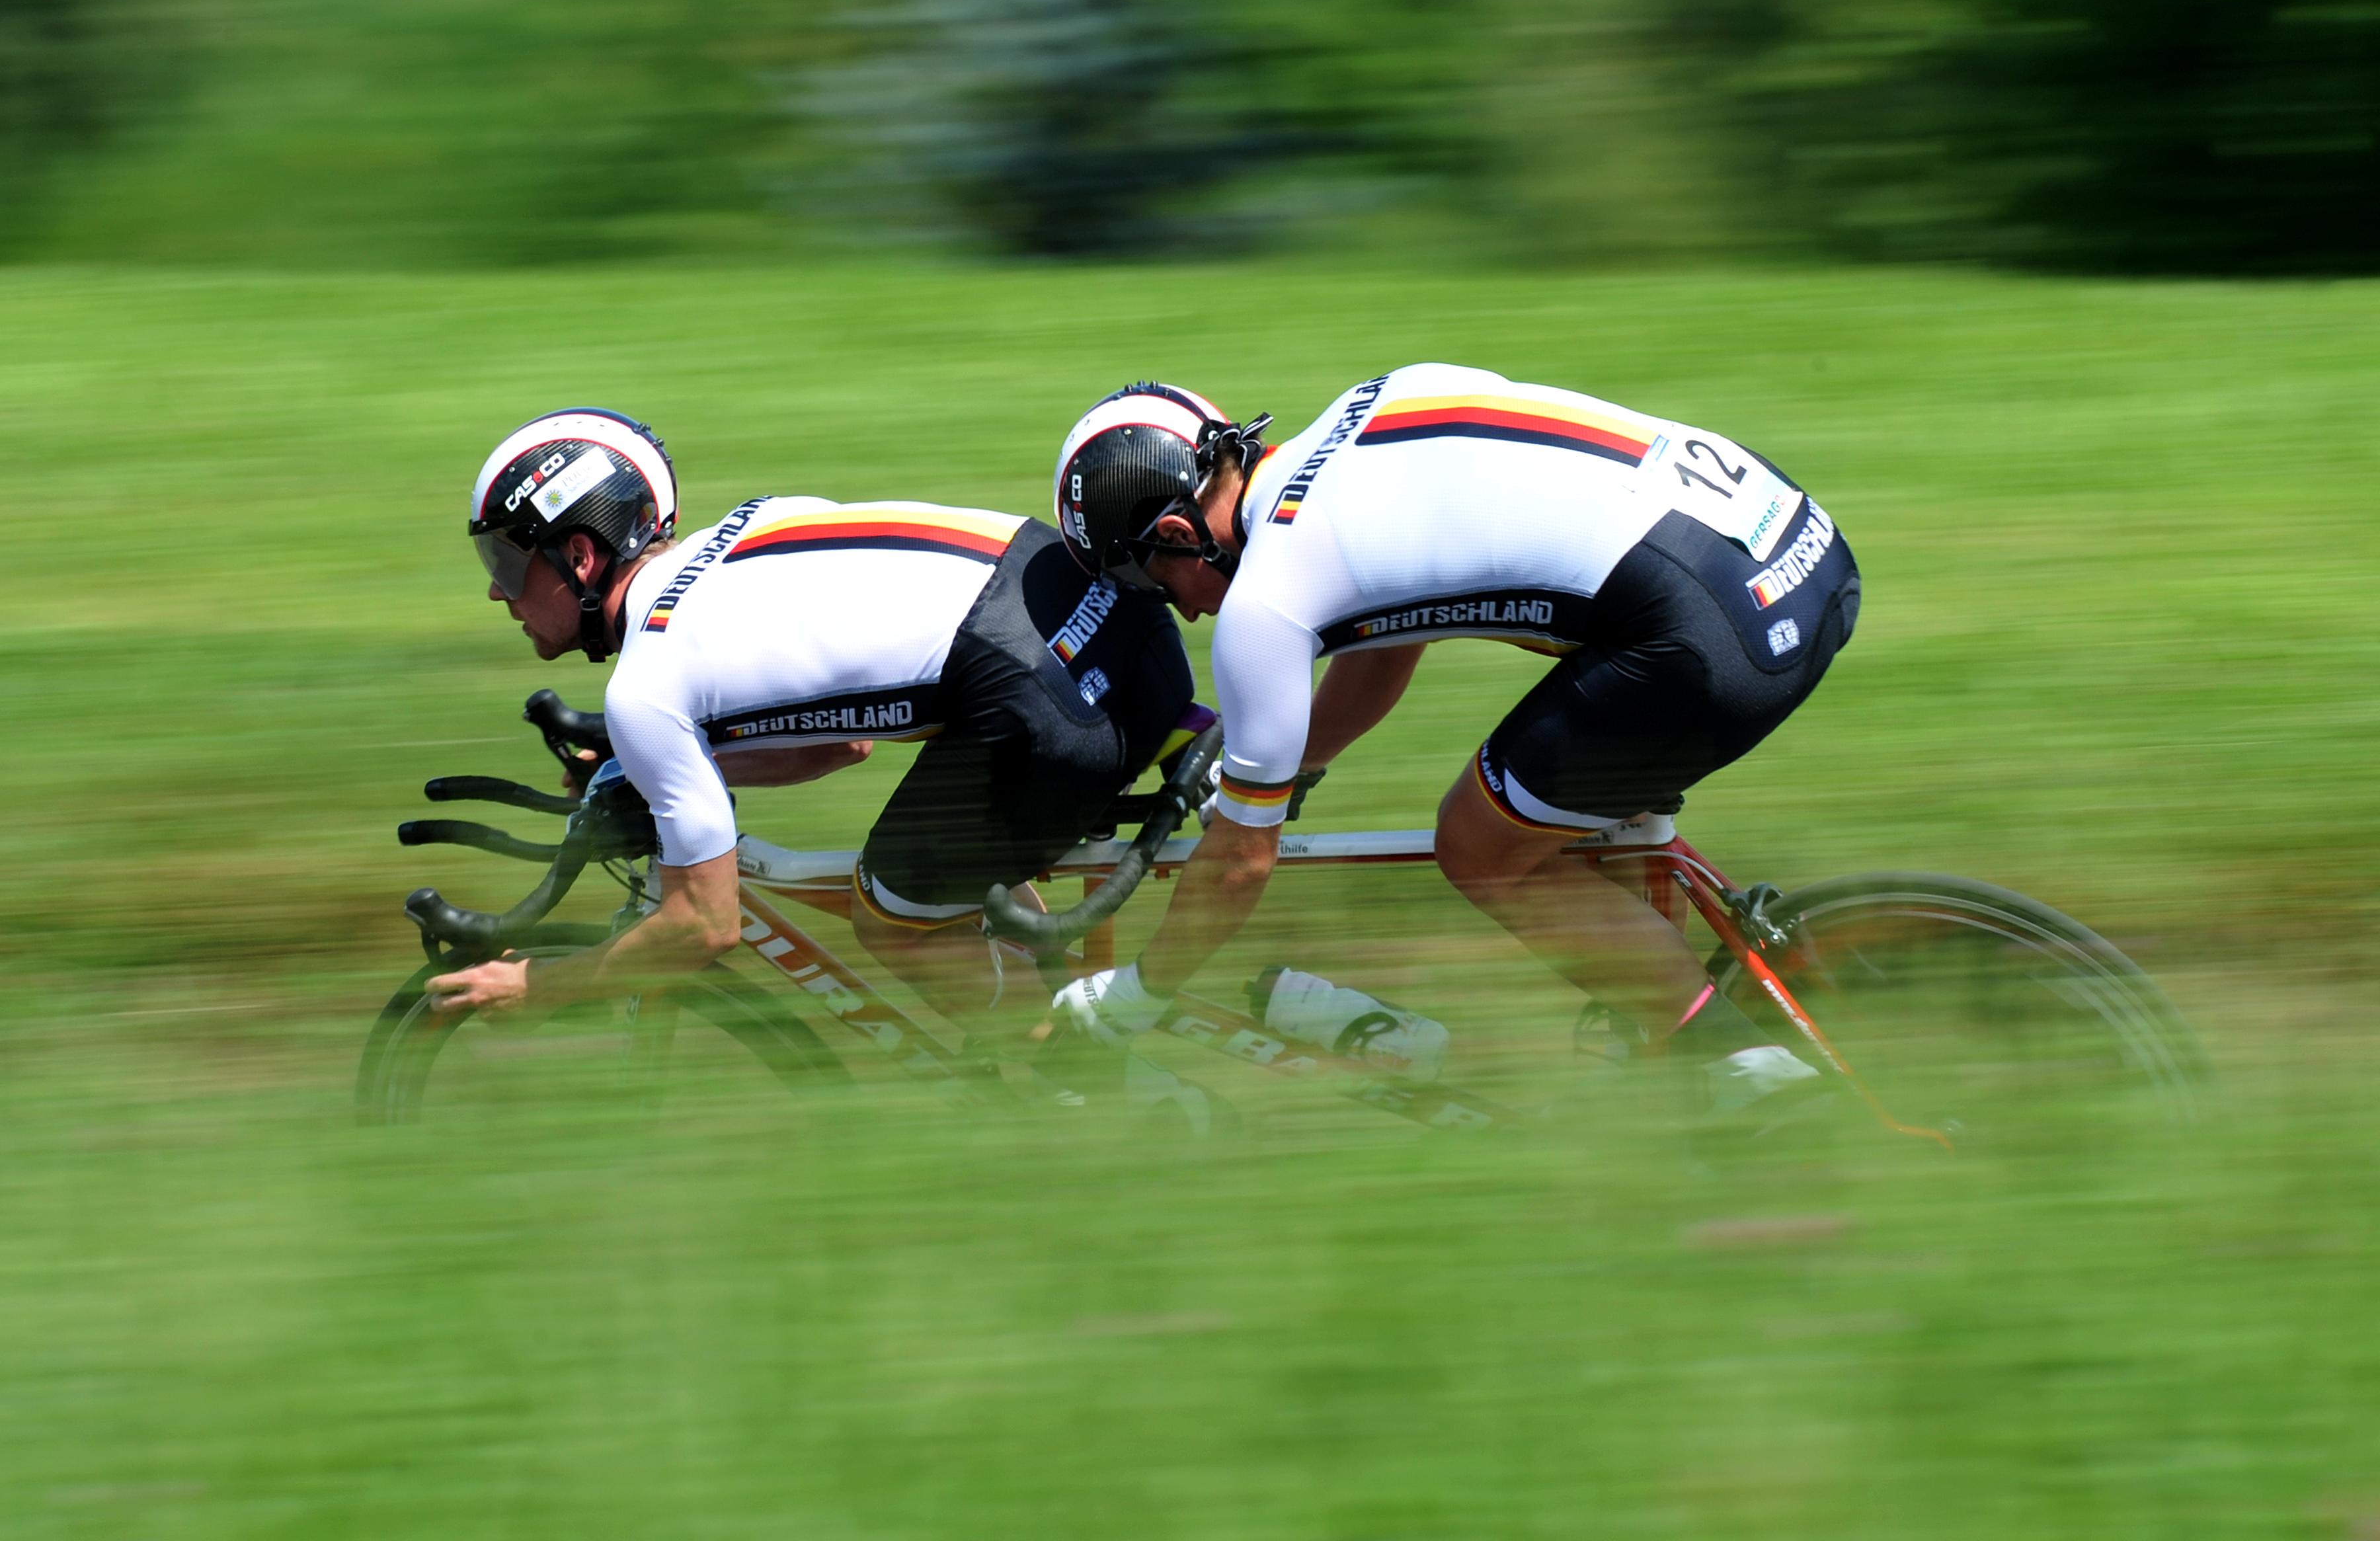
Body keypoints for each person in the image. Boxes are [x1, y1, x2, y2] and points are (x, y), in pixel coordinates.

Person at [1046, 365, 1863, 1116]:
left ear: (1178, 533)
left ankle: (1746, 1072)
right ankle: (1662, 1037)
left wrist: (1141, 991)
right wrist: (1294, 768)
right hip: (1796, 543)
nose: (1184, 612)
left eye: (1148, 583)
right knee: (1560, 797)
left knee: (1479, 847)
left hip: (1717, 629)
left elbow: (1239, 867)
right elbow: (1387, 637)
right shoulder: (1367, 403)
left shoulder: (1266, 600)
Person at [422, 407, 1202, 1058]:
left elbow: (703, 926)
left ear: (580, 556)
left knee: (892, 918)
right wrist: (660, 766)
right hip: (1135, 632)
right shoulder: (755, 522)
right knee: (942, 848)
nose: (496, 591)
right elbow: (841, 737)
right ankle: (1049, 1003)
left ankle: (1076, 1082)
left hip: (1049, 712)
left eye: (508, 562)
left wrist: (538, 987)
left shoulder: (646, 686)